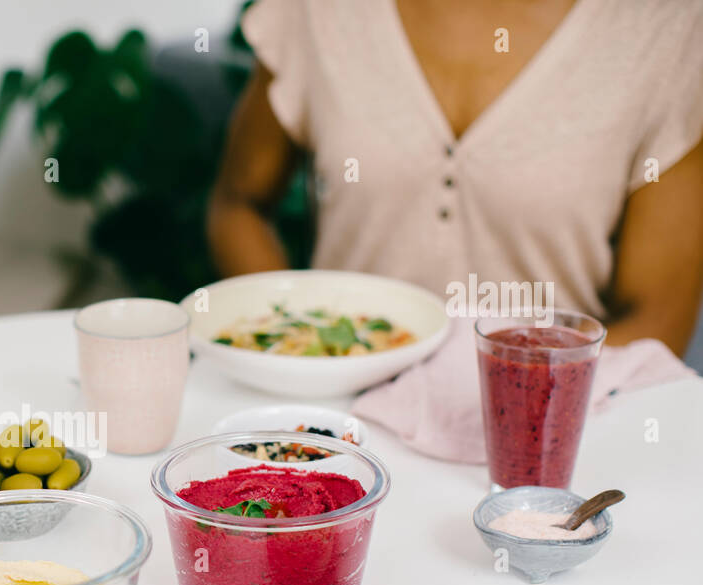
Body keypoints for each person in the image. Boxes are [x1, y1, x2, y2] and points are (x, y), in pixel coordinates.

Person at [209, 0, 703, 352]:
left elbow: (657, 321)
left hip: (551, 445)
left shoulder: (665, 32)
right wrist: (298, 346)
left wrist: (512, 394)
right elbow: (238, 205)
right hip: (341, 432)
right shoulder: (317, 13)